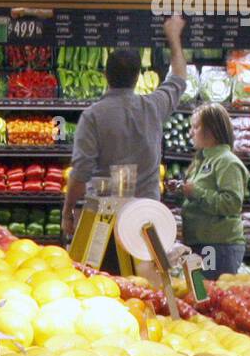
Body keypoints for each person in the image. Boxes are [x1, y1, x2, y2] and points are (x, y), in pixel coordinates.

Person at [62, 12, 188, 242]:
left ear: (105, 76)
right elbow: (179, 78)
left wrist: (68, 210)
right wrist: (174, 38)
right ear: (138, 76)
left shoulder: (92, 117)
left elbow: (80, 174)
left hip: (103, 221)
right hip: (146, 219)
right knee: (142, 276)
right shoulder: (153, 107)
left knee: (102, 277)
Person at [177, 102, 248, 277]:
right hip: (202, 244)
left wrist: (195, 192)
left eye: (196, 127)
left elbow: (231, 204)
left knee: (210, 295)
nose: (191, 132)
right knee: (200, 295)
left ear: (212, 130)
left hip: (217, 246)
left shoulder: (227, 162)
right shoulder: (202, 161)